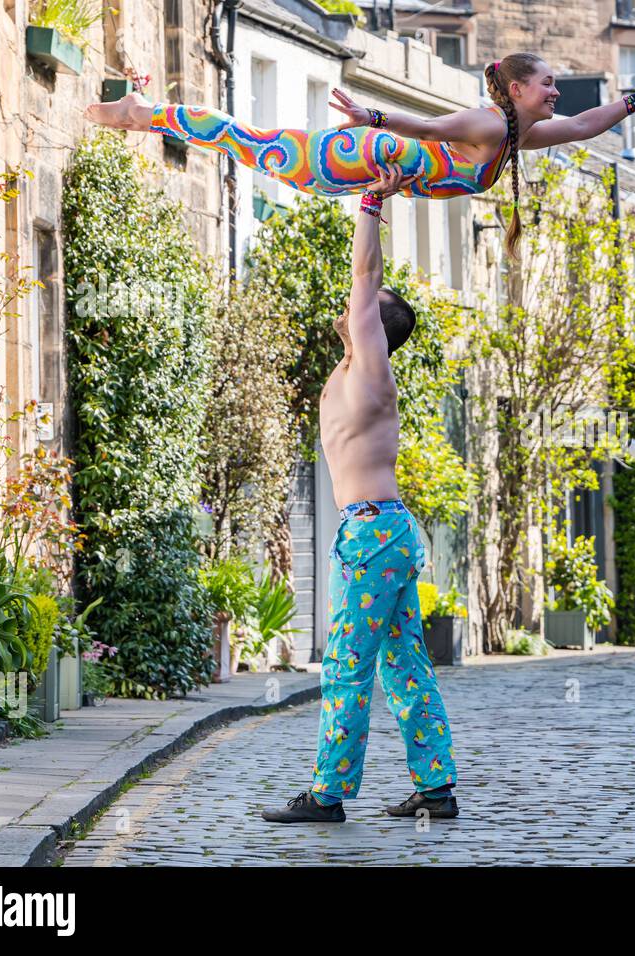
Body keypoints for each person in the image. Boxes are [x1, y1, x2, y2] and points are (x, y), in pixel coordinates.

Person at [261, 166, 458, 824]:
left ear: (376, 323)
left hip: (373, 534)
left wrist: (371, 202)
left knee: (347, 665)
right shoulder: (351, 369)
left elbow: (365, 278)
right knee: (403, 663)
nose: (351, 306)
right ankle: (436, 786)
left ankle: (327, 795)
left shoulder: (373, 369)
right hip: (382, 532)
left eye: (364, 307)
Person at [84, 53, 635, 256]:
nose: (556, 92)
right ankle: (140, 112)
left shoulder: (513, 134)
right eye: (548, 83)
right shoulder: (488, 122)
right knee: (249, 143)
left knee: (250, 145)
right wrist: (372, 116)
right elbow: (425, 125)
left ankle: (145, 111)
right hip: (360, 154)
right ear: (518, 89)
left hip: (365, 172)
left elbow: (580, 125)